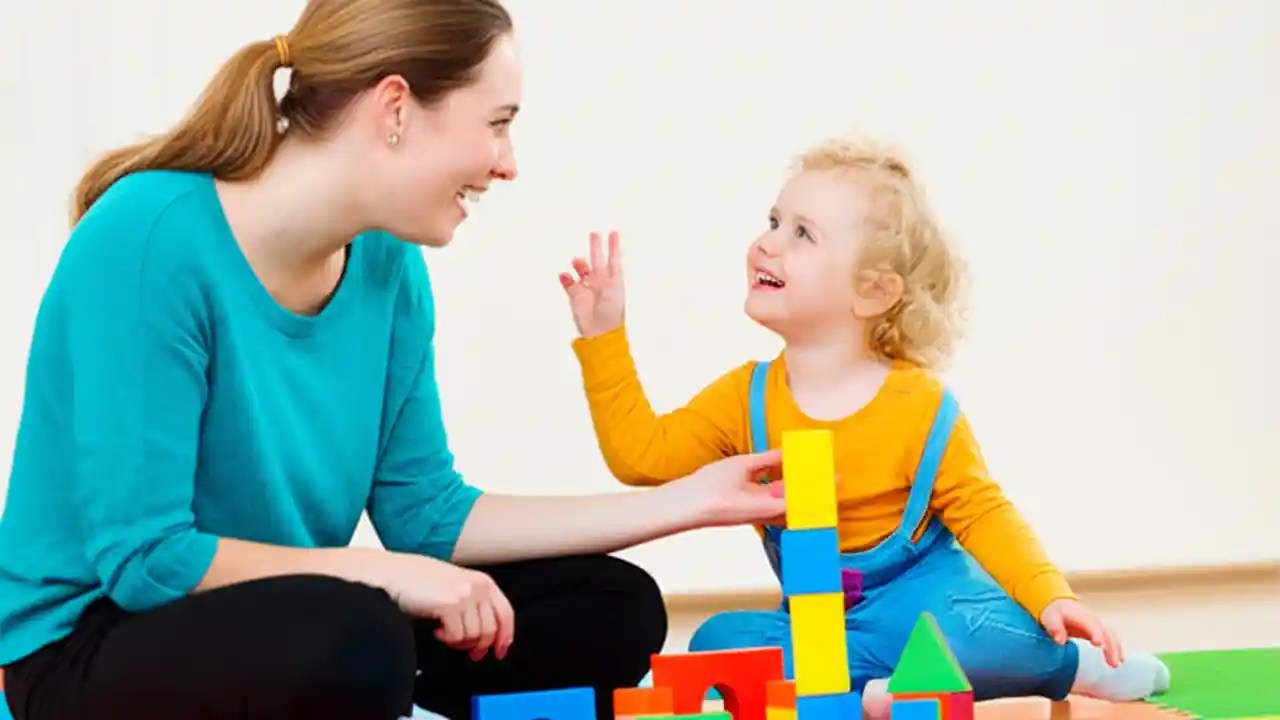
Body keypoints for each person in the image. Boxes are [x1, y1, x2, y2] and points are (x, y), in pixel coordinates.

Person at [0, 2, 791, 719]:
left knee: (611, 604)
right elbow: (146, 559)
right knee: (360, 633)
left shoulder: (387, 267)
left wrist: (688, 502)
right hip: (90, 647)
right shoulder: (148, 239)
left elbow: (428, 515)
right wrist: (386, 575)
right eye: (497, 122)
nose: (507, 161)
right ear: (395, 109)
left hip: (280, 619)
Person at [559, 135, 1172, 718]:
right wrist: (604, 336)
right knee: (718, 643)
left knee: (992, 632)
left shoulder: (918, 404)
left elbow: (984, 512)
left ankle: (1073, 664)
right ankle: (882, 693)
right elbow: (641, 457)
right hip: (819, 625)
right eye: (774, 221)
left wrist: (1053, 596)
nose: (767, 244)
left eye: (803, 234)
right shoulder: (746, 398)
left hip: (928, 608)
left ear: (874, 291)